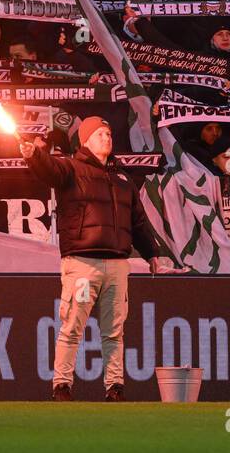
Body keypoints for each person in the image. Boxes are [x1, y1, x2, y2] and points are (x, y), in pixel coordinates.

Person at [20, 116, 170, 402]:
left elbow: (137, 222)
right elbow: (48, 168)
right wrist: (34, 155)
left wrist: (151, 253)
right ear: (85, 139)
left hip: (116, 265)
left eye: (109, 132)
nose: (107, 137)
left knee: (114, 330)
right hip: (83, 265)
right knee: (73, 326)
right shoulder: (71, 169)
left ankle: (115, 387)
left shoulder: (123, 178)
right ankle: (62, 385)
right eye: (100, 133)